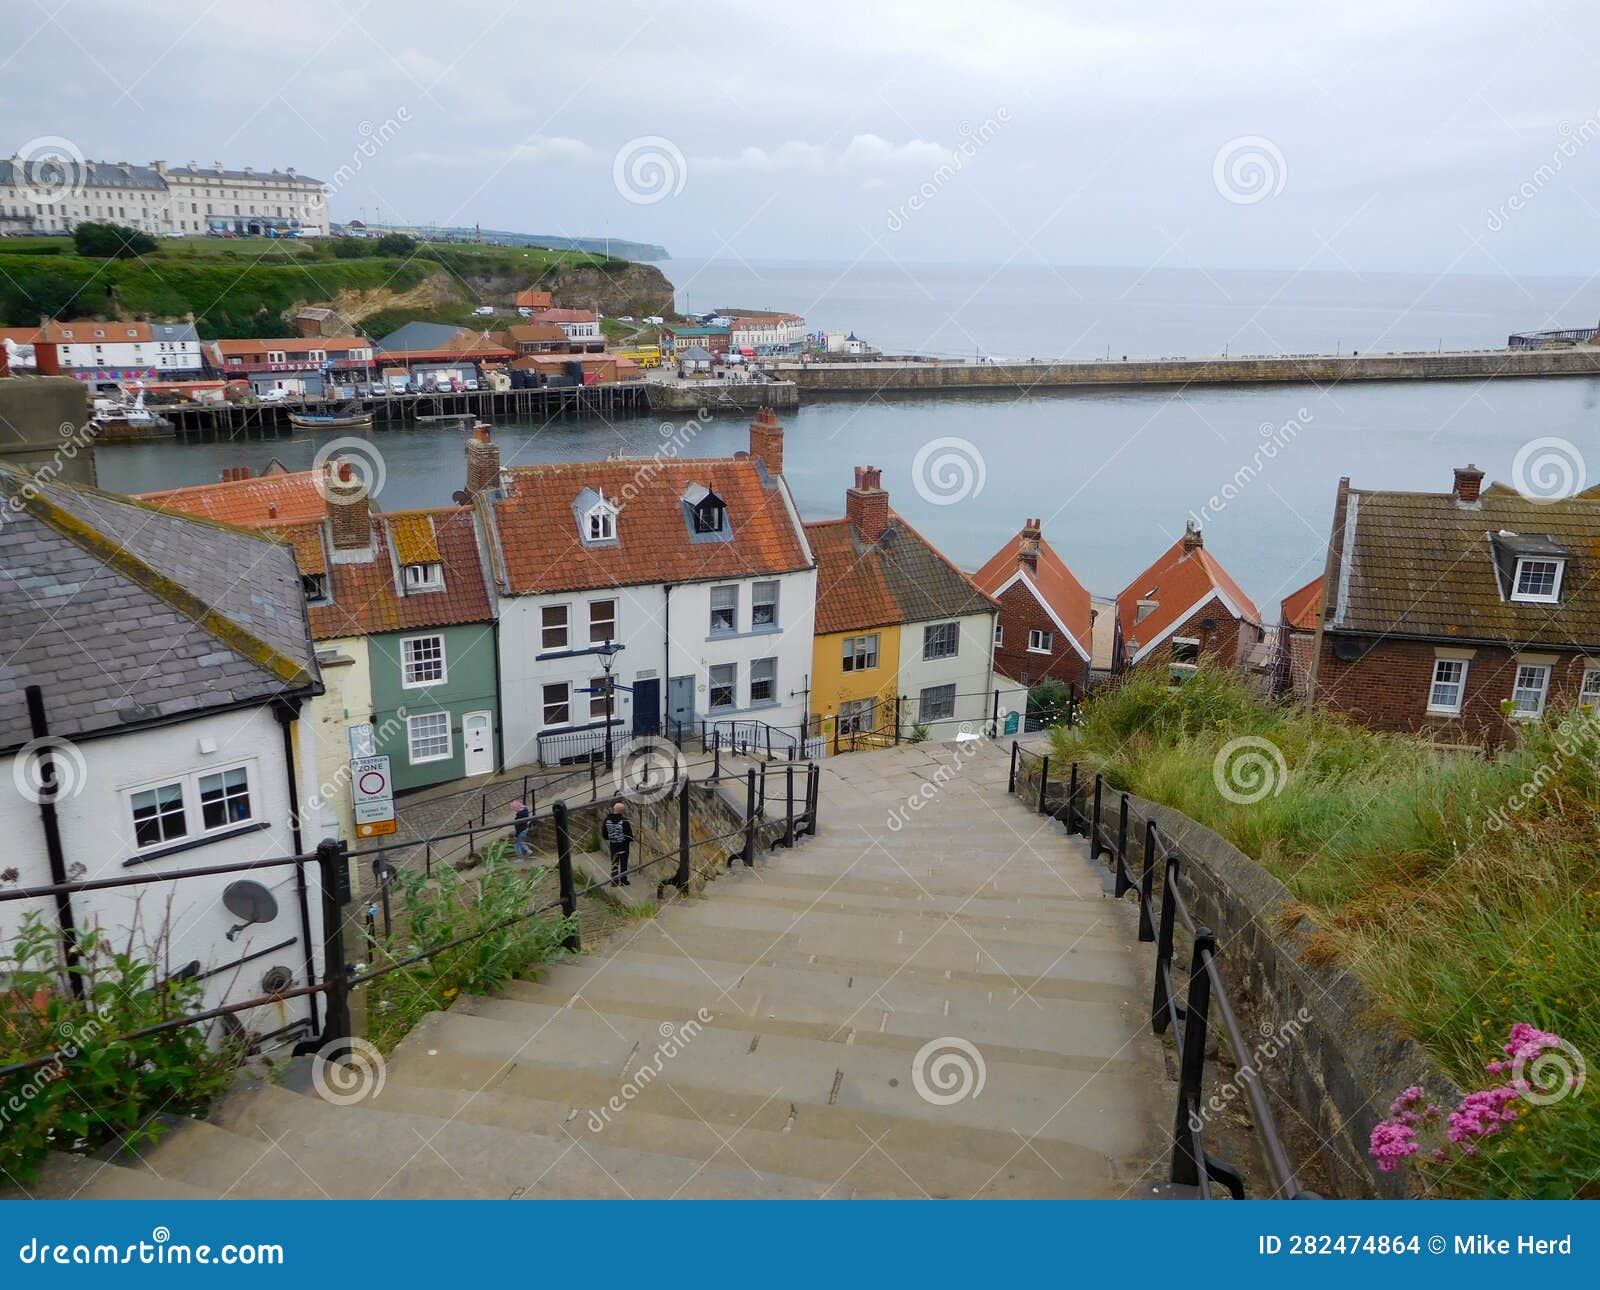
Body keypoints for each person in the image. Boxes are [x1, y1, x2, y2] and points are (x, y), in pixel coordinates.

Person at [602, 800, 633, 886]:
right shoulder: (625, 821)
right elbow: (629, 836)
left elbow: (604, 834)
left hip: (613, 845)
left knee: (614, 862)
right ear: (622, 811)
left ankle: (614, 881)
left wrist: (612, 838)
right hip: (624, 846)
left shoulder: (606, 820)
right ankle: (623, 880)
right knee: (624, 863)